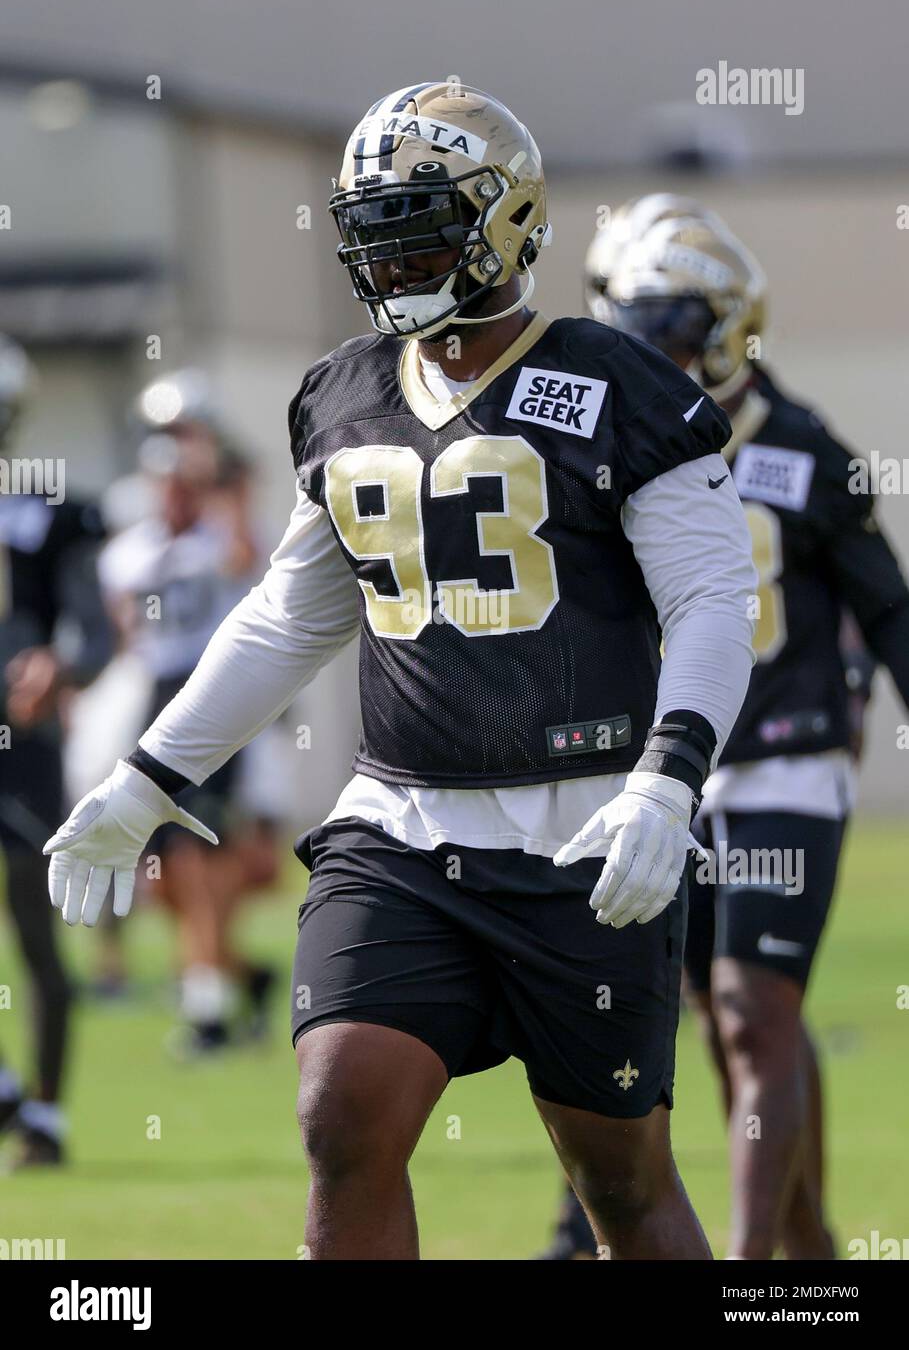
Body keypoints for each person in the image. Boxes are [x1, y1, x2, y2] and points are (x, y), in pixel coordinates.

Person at [44, 84, 756, 1258]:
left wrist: (668, 778)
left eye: (421, 220)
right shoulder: (345, 391)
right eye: (374, 224)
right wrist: (146, 778)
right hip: (402, 826)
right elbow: (290, 616)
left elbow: (713, 602)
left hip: (585, 834)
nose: (391, 251)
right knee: (341, 1108)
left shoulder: (626, 386)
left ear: (507, 220)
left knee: (620, 1183)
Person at [565, 194, 909, 1260]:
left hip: (785, 757)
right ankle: (808, 1248)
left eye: (678, 323)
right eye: (641, 323)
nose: (658, 346)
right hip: (667, 768)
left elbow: (889, 606)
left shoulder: (802, 448)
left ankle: (751, 1269)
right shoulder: (605, 439)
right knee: (717, 1021)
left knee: (753, 1007)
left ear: (729, 325)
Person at [97, 381, 276, 1052]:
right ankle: (242, 975)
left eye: (183, 483)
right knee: (163, 878)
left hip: (212, 695)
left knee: (203, 853)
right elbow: (120, 630)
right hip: (153, 696)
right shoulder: (130, 549)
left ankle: (205, 1004)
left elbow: (241, 554)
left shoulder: (216, 536)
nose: (173, 493)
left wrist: (219, 471)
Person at [0, 333, 111, 1168]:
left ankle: (45, 1114)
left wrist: (62, 664)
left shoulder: (49, 510)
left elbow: (99, 635)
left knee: (37, 931)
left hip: (23, 744)